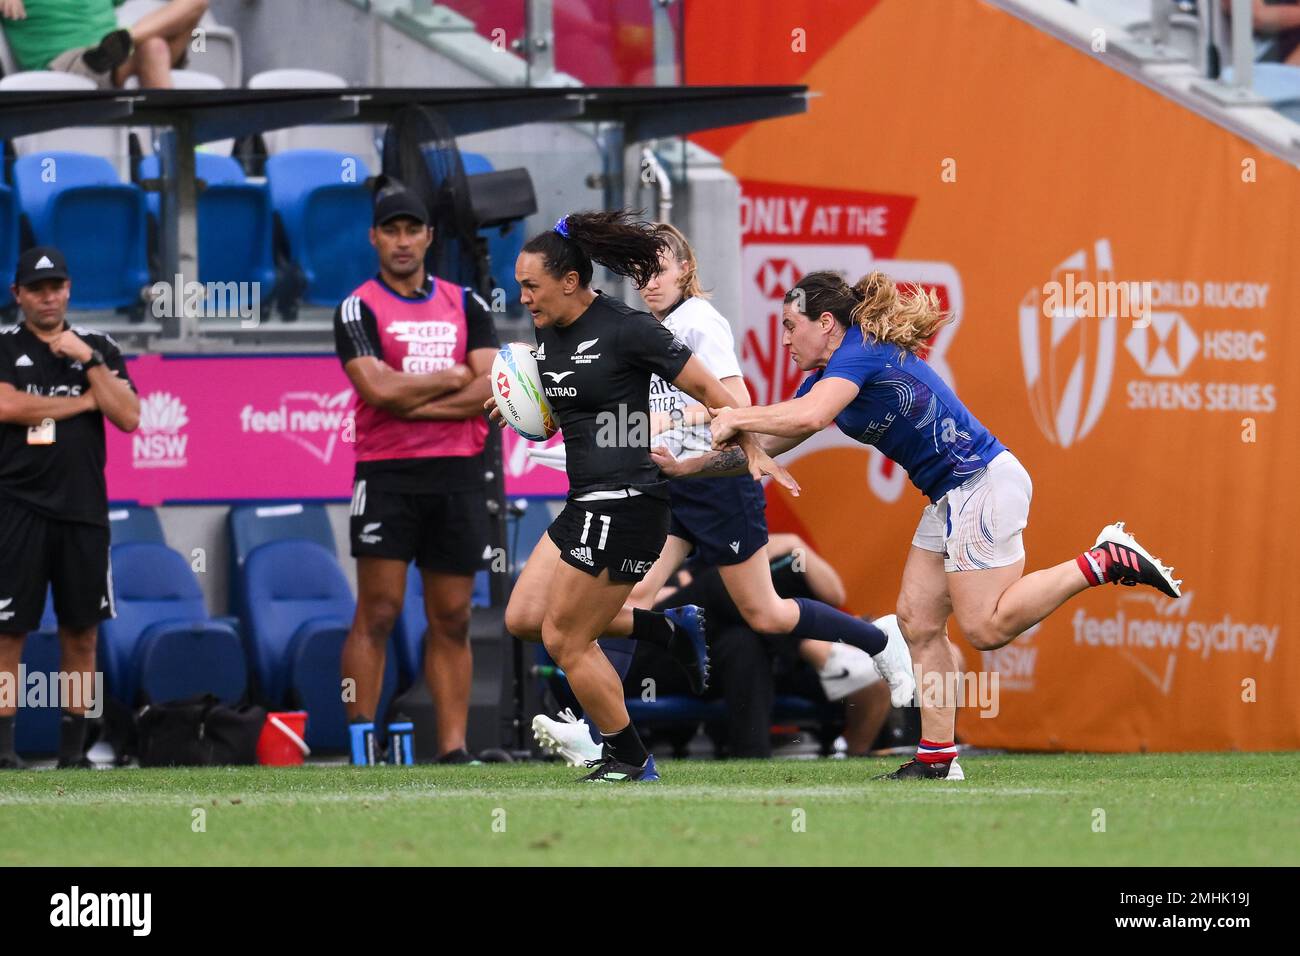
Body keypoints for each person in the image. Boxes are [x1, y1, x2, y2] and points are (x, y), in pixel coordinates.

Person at [654, 270, 1182, 780]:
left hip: (981, 482)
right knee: (918, 622)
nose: (784, 339)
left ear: (828, 324)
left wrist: (733, 414)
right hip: (948, 494)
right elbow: (768, 444)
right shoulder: (828, 375)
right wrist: (690, 465)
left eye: (792, 325)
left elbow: (808, 418)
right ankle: (937, 757)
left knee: (985, 629)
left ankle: (1102, 560)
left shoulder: (856, 353)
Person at [527, 225, 916, 754]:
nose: (648, 283)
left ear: (686, 271)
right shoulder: (649, 325)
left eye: (659, 270)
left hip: (717, 489)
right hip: (675, 482)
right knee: (631, 599)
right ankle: (594, 731)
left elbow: (733, 397)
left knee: (767, 613)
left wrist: (677, 421)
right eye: (640, 274)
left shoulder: (698, 321)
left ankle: (880, 639)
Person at [487, 210, 793, 783]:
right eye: (521, 285)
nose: (523, 296)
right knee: (524, 617)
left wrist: (748, 443)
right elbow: (568, 403)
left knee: (566, 637)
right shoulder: (547, 330)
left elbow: (713, 389)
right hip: (585, 501)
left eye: (531, 285)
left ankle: (629, 758)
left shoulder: (630, 328)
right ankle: (668, 628)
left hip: (628, 501)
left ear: (569, 281)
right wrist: (516, 402)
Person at [334, 183, 497, 764]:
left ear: (429, 236)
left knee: (451, 616)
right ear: (374, 237)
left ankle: (453, 749)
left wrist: (411, 398)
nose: (402, 241)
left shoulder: (467, 303)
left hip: (456, 473)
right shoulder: (358, 306)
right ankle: (361, 743)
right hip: (388, 475)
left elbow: (488, 389)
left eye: (412, 230)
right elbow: (374, 387)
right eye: (391, 231)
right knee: (377, 612)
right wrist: (451, 378)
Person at [536, 533, 890, 764]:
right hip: (652, 655)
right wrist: (675, 589)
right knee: (719, 589)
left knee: (744, 639)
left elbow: (835, 595)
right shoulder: (641, 537)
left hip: (719, 660)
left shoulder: (728, 547)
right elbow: (627, 605)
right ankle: (819, 648)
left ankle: (753, 760)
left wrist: (792, 544)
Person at [0, 246, 140, 769]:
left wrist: (90, 362)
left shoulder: (98, 345)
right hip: (15, 508)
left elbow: (128, 415)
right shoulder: (4, 345)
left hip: (83, 511)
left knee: (81, 631)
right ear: (18, 295)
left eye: (56, 286)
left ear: (68, 289)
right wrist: (82, 402)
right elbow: (9, 405)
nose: (48, 296)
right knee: (8, 630)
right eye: (36, 288)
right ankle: (4, 753)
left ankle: (72, 756)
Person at [1, 0, 208, 89]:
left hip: (113, 57)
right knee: (154, 49)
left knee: (196, 2)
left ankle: (126, 38)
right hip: (67, 65)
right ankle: (181, 158)